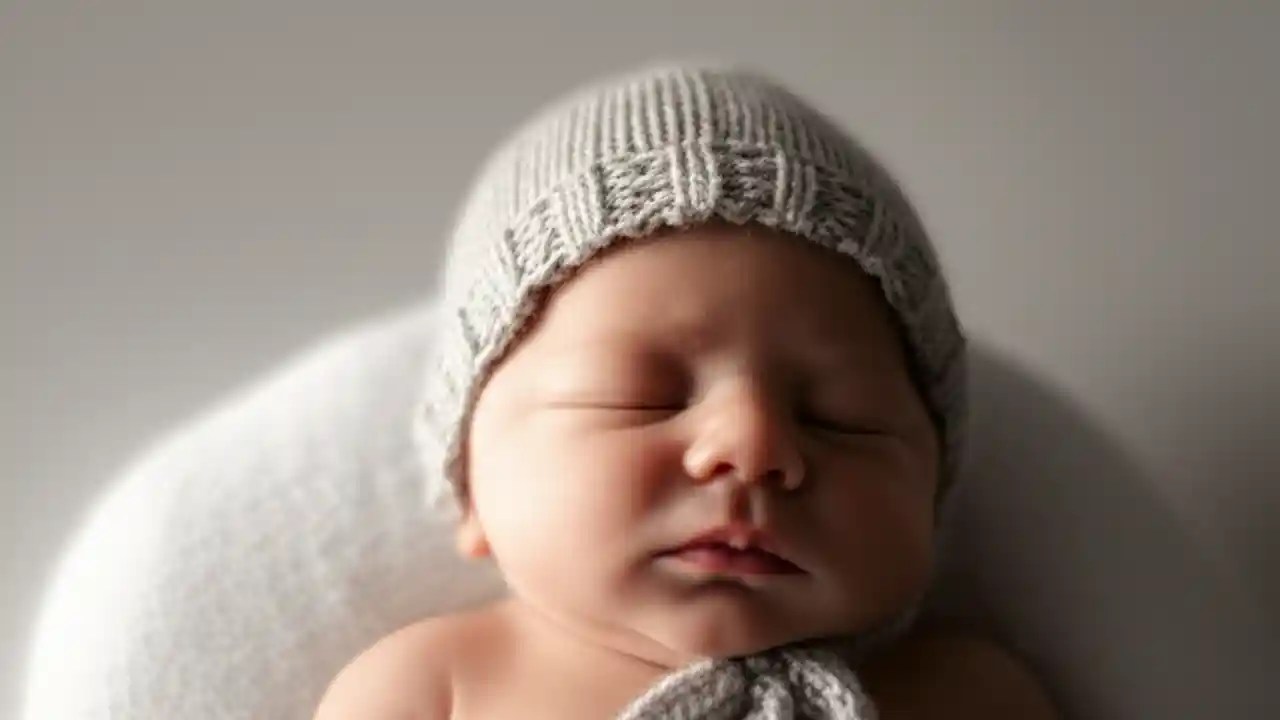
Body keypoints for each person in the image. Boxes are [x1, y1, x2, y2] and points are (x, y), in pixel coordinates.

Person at [314, 60, 1058, 719]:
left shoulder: (976, 696)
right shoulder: (437, 688)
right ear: (472, 480)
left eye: (844, 416)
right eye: (639, 396)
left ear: (931, 496)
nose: (753, 445)